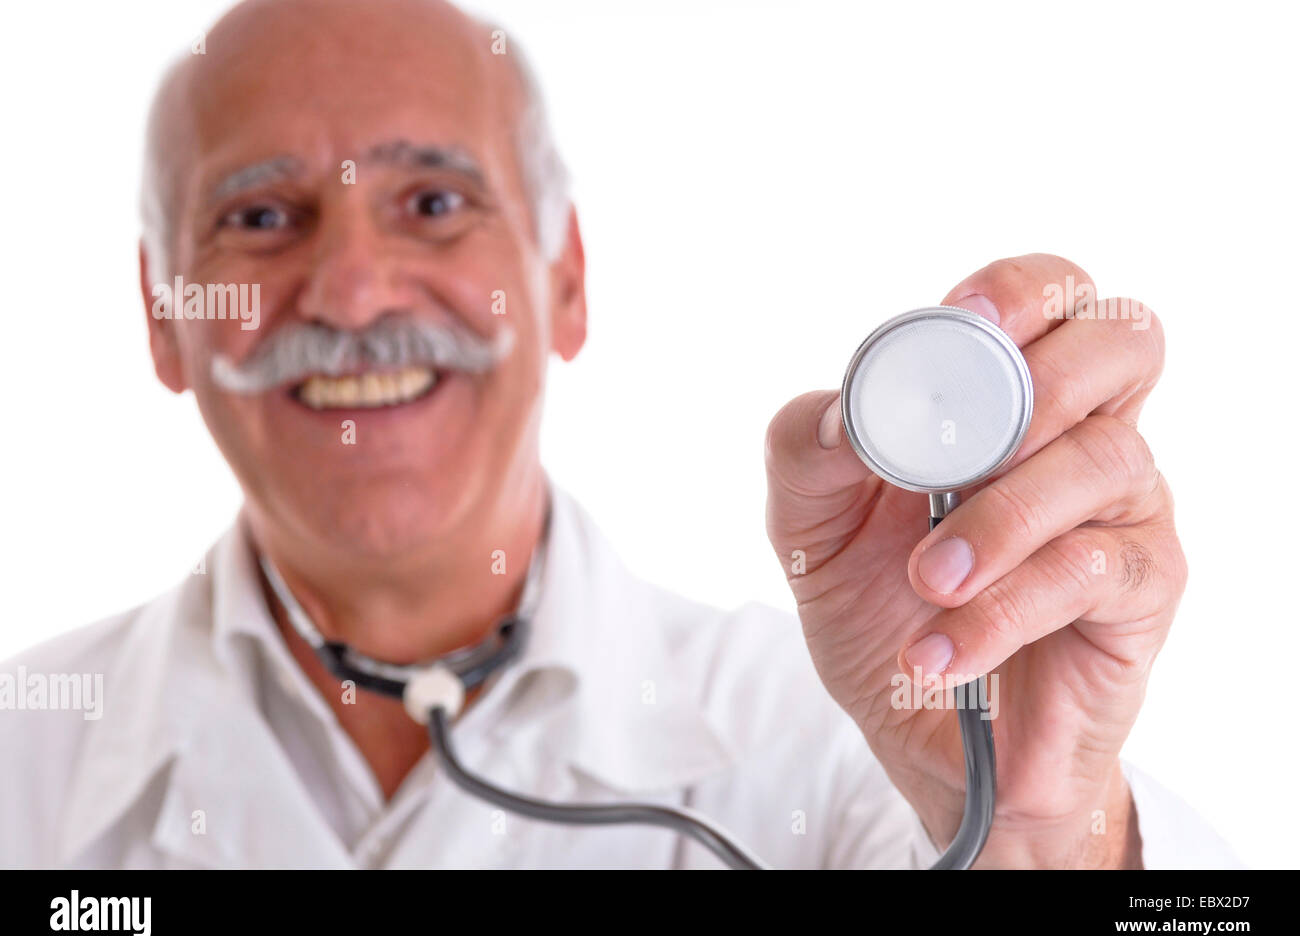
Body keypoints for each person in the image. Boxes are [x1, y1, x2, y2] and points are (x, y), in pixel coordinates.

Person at [0, 0, 1237, 868]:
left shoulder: (846, 749)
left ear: (566, 280)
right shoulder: (24, 762)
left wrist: (1035, 826)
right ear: (166, 318)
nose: (355, 292)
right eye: (262, 216)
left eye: (432, 203)